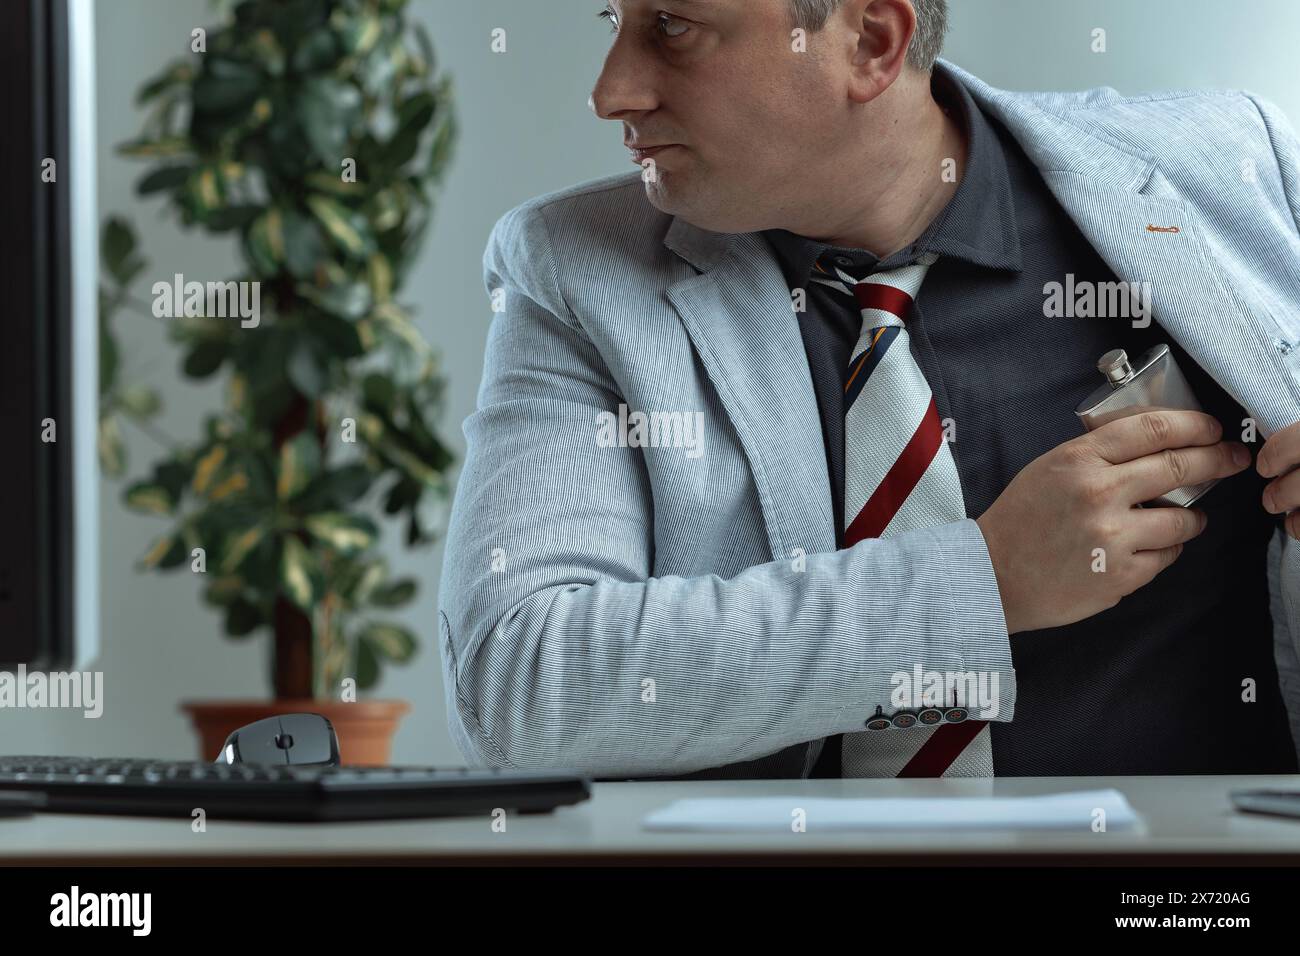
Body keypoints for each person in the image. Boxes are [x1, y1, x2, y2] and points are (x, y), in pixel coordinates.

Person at [437, 0, 1300, 779]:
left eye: (671, 26)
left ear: (871, 41)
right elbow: (517, 686)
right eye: (612, 24)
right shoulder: (576, 269)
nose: (610, 91)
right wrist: (986, 583)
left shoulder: (1237, 165)